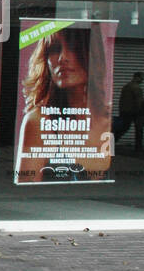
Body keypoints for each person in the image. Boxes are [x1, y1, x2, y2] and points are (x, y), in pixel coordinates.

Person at [15, 26, 113, 183]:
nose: (63, 57)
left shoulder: (109, 118)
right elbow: (27, 187)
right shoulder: (39, 121)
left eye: (73, 47)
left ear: (91, 54)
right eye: (54, 49)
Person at [112, 70, 144, 152]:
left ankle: (110, 143)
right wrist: (141, 111)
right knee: (138, 129)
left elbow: (122, 100)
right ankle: (138, 148)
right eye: (142, 78)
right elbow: (139, 101)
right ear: (137, 77)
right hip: (134, 112)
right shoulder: (136, 88)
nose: (142, 80)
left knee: (123, 128)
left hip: (125, 111)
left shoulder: (126, 86)